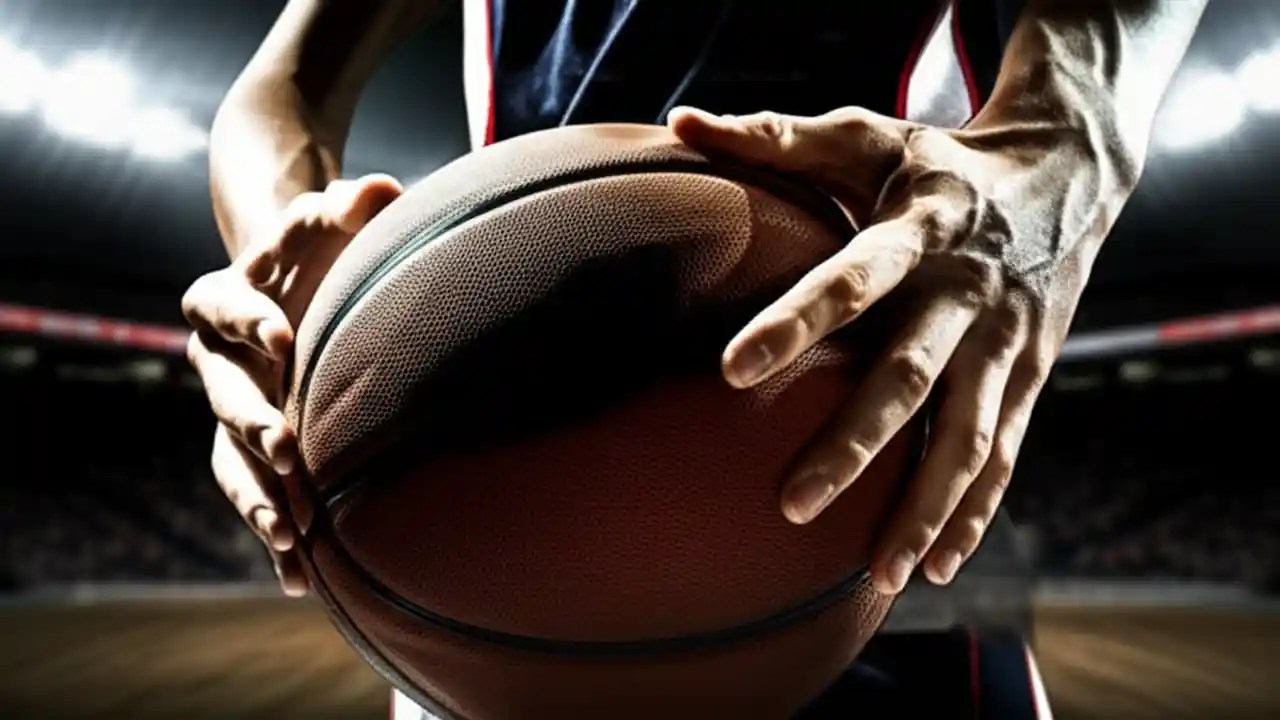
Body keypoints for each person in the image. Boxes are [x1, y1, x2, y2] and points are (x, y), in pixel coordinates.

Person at [181, 1, 1206, 717]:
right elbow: (283, 84)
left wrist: (1065, 133)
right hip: (491, 527)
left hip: (875, 511)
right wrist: (289, 288)